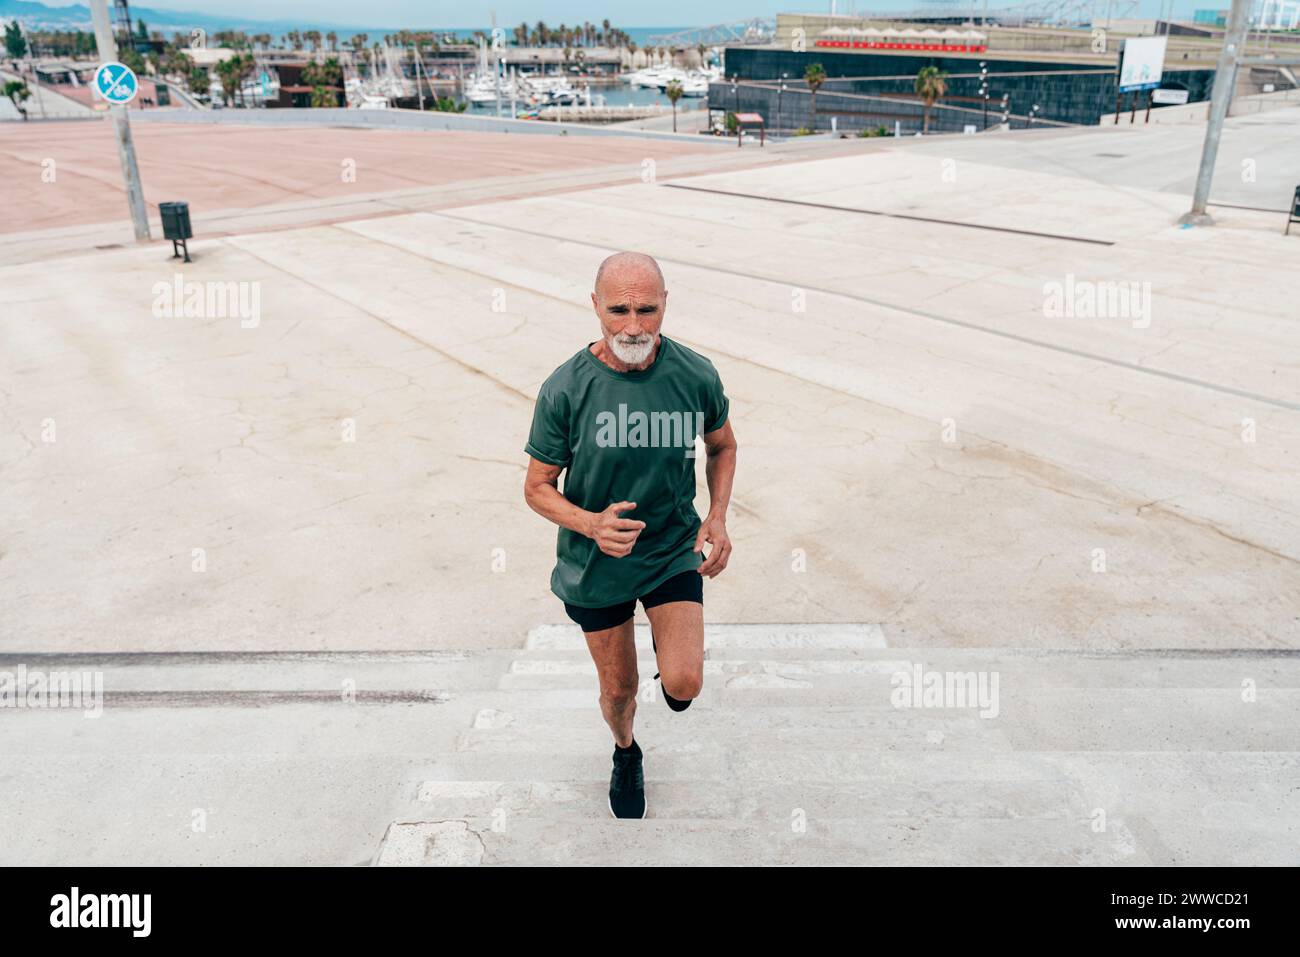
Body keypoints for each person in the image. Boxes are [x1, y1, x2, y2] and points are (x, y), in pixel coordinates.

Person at [523, 251, 738, 818]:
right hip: (596, 565)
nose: (635, 326)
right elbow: (537, 487)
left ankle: (670, 651)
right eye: (619, 310)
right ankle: (625, 751)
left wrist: (716, 516)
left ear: (666, 304)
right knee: (621, 691)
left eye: (648, 309)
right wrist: (591, 524)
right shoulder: (565, 389)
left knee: (685, 684)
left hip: (670, 549)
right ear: (595, 306)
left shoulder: (695, 374)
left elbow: (723, 445)